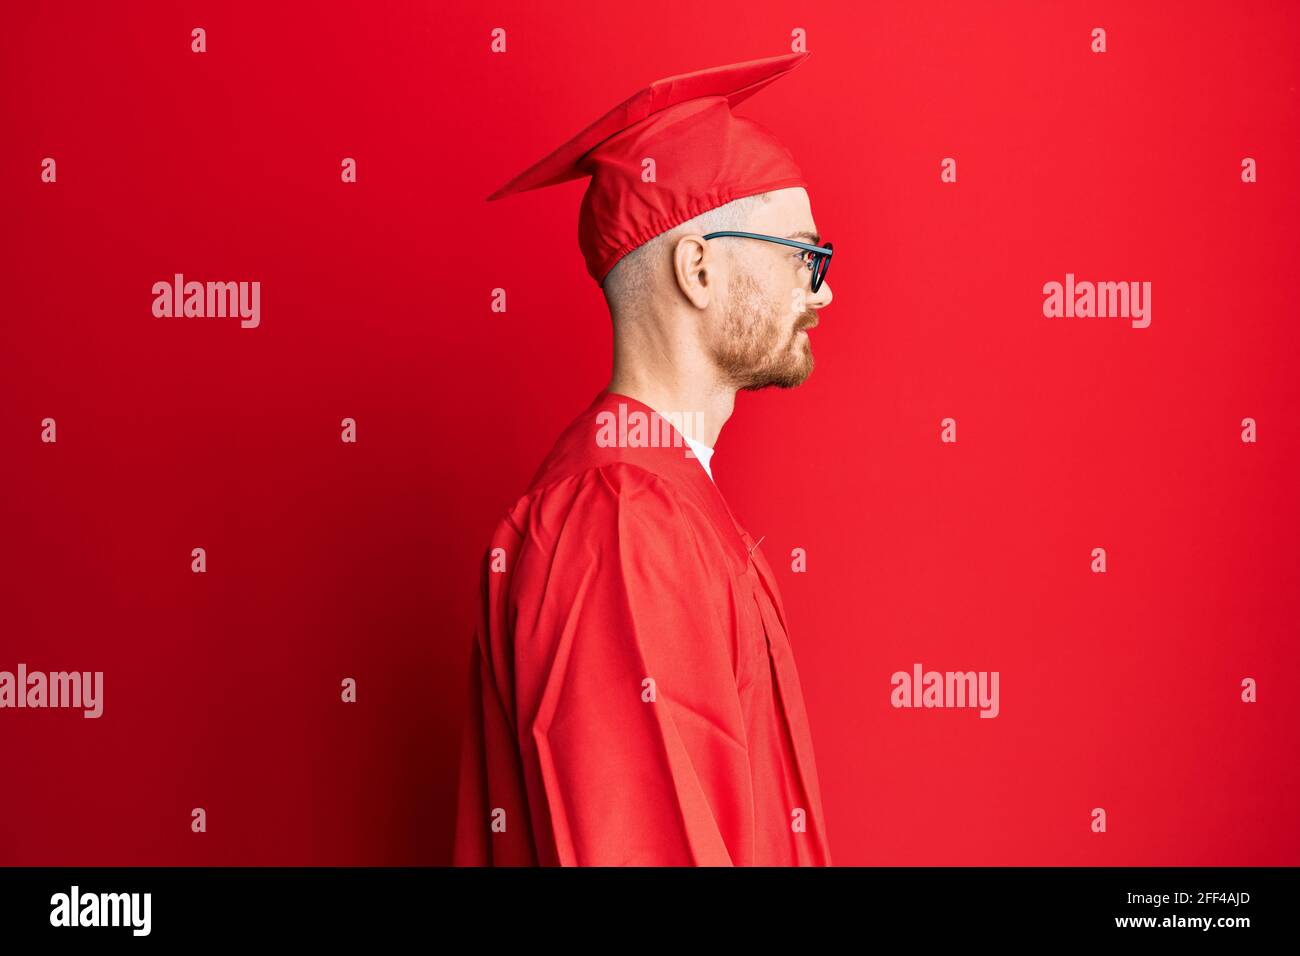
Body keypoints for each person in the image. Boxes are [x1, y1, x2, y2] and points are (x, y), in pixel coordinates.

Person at [453, 51, 835, 866]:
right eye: (802, 255)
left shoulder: (662, 501)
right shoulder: (620, 523)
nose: (822, 291)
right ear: (698, 268)